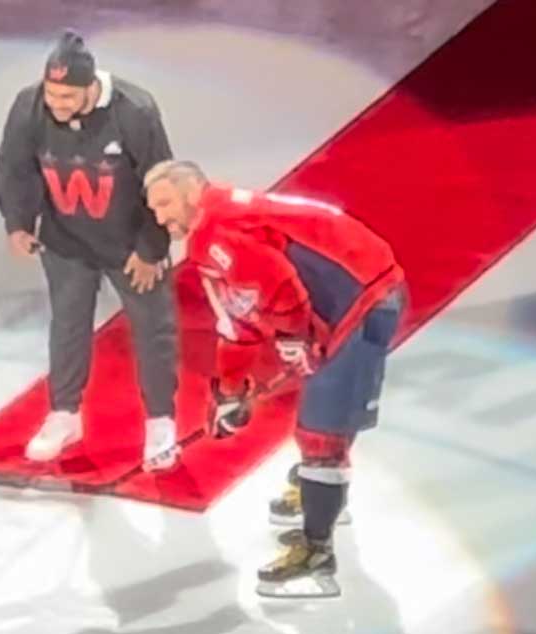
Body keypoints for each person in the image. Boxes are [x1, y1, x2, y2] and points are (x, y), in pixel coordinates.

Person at [142, 160, 405, 598]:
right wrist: (229, 391)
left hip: (364, 302)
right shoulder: (216, 231)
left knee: (320, 429)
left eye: (165, 203)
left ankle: (317, 557)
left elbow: (280, 288)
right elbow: (239, 323)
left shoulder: (215, 234)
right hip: (363, 293)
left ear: (191, 192)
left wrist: (293, 337)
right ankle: (321, 495)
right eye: (152, 209)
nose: (159, 217)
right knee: (326, 415)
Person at [0, 29, 181, 471]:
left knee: (152, 331)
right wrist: (18, 222)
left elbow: (163, 180)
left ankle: (160, 421)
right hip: (66, 238)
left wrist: (152, 248)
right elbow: (14, 165)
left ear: (89, 85)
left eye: (66, 96)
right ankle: (64, 414)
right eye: (51, 93)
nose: (56, 104)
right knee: (67, 326)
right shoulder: (30, 105)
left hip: (129, 243)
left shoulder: (134, 111)